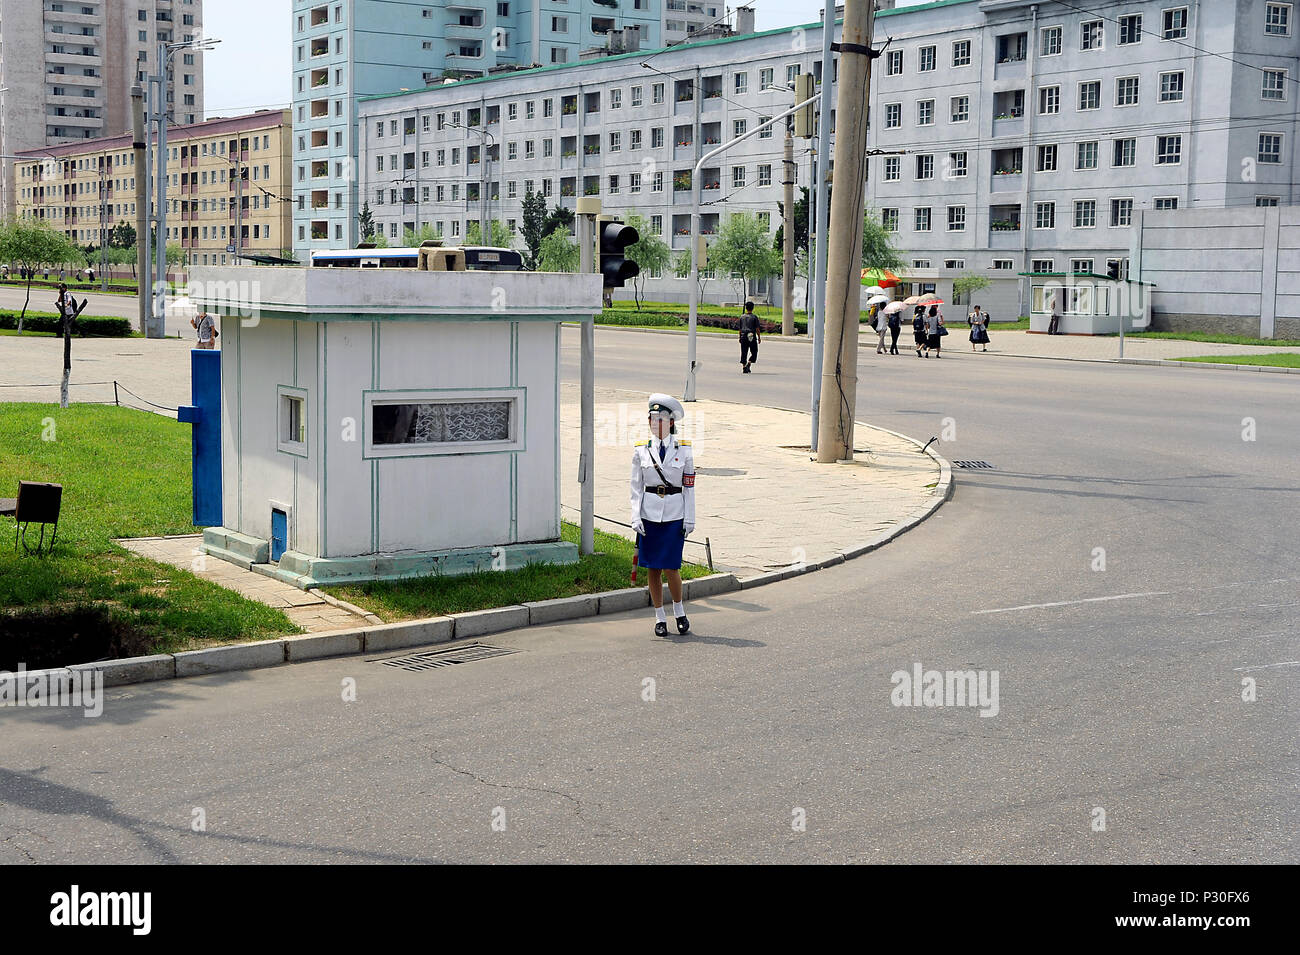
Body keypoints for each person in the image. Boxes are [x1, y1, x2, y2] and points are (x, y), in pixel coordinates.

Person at [630, 393, 696, 637]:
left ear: (671, 422)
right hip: (649, 516)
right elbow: (635, 487)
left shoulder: (685, 450)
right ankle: (659, 617)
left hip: (674, 515)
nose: (656, 424)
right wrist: (635, 517)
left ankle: (679, 612)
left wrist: (690, 518)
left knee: (671, 567)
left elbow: (689, 488)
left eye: (661, 419)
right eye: (652, 419)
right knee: (652, 570)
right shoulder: (641, 450)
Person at [739, 301, 760, 373]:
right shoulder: (754, 317)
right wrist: (759, 337)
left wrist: (739, 337)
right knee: (754, 351)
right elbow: (757, 328)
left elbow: (740, 328)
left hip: (743, 335)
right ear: (753, 308)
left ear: (746, 308)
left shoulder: (742, 317)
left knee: (744, 352)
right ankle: (749, 363)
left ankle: (744, 367)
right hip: (751, 335)